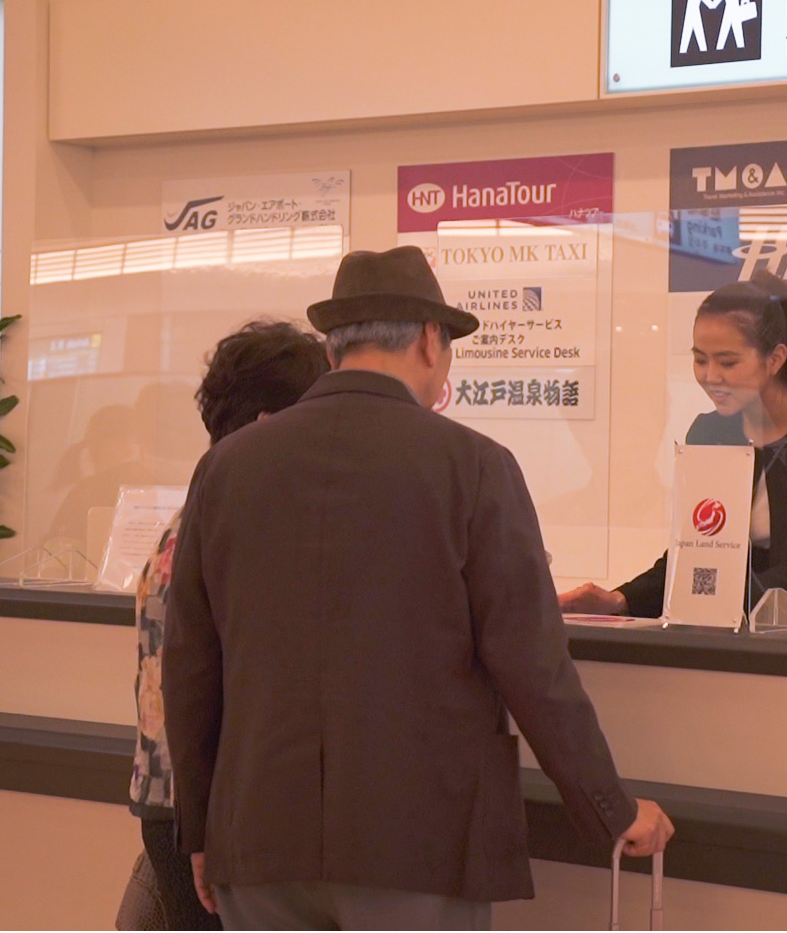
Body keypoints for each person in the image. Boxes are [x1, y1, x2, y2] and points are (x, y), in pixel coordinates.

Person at [163, 247, 673, 931]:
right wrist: (608, 808)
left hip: (255, 841)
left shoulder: (226, 468)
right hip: (420, 844)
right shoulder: (473, 466)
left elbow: (190, 667)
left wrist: (200, 830)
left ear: (334, 343)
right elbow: (532, 665)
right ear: (431, 339)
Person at [558, 273, 787, 633]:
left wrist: (717, 593)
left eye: (727, 362)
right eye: (700, 360)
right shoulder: (709, 431)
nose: (710, 376)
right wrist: (622, 600)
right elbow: (697, 551)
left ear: (775, 358)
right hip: (743, 635)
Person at [130, 320, 329, 931]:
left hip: (177, 807)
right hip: (209, 815)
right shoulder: (247, 523)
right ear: (272, 424)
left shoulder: (192, 516)